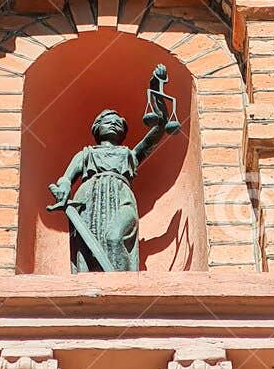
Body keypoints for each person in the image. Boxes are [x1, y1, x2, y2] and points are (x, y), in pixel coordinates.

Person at [47, 64, 179, 273]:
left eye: (118, 123)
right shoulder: (86, 154)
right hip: (88, 199)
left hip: (121, 198)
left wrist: (156, 91)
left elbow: (160, 128)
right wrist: (63, 188)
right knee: (87, 246)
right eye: (107, 121)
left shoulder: (130, 155)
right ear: (96, 128)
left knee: (114, 237)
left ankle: (122, 285)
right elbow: (66, 177)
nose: (113, 124)